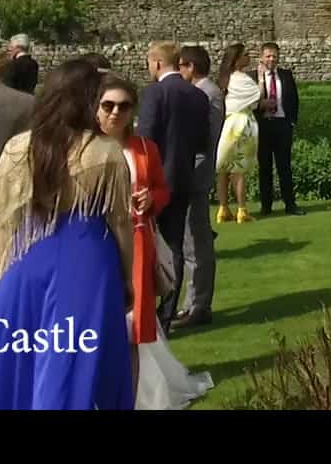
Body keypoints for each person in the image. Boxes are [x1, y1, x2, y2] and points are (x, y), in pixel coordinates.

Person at [0, 59, 135, 410]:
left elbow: (4, 219)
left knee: (15, 353)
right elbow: (120, 221)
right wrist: (126, 276)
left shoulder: (18, 147)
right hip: (88, 260)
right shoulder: (105, 151)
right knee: (73, 359)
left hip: (27, 254)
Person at [95, 73, 213, 409]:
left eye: (123, 106)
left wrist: (152, 199)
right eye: (108, 105)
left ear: (133, 110)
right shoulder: (86, 149)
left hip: (137, 239)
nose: (115, 113)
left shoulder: (145, 149)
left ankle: (140, 387)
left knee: (135, 315)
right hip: (97, 243)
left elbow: (162, 189)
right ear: (96, 108)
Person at [137, 42, 209, 334]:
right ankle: (166, 316)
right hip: (182, 179)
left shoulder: (155, 93)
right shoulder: (197, 95)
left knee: (144, 244)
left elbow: (145, 140)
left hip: (152, 183)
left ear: (156, 63)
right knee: (175, 247)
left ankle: (144, 310)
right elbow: (203, 142)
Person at [172, 45, 222, 331]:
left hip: (195, 174)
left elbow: (202, 141)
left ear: (190, 67)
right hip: (194, 172)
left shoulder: (206, 94)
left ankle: (198, 304)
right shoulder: (204, 92)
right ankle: (192, 302)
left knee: (196, 242)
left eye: (181, 66)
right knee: (189, 241)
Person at [254, 42, 303, 217]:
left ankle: (290, 204)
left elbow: (294, 99)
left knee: (285, 167)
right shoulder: (254, 77)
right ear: (262, 57)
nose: (271, 59)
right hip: (263, 125)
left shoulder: (286, 75)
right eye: (268, 56)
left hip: (282, 124)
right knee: (265, 167)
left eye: (274, 56)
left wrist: (292, 122)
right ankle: (266, 206)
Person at [214, 43, 261, 224]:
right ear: (237, 59)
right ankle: (241, 209)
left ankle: (223, 208)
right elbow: (257, 94)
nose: (248, 57)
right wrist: (261, 78)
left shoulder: (225, 79)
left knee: (223, 169)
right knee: (238, 169)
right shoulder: (241, 78)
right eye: (245, 55)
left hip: (227, 123)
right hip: (241, 123)